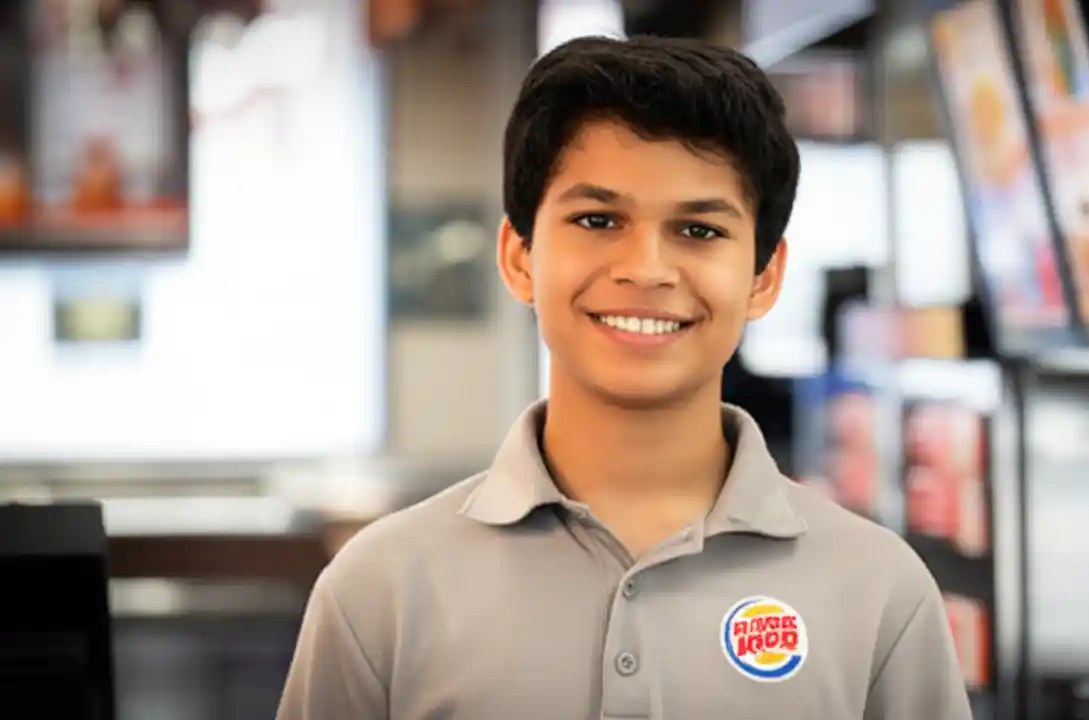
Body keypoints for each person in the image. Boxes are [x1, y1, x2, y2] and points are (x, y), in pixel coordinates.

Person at [277, 35, 971, 720]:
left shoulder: (880, 591)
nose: (645, 269)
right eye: (598, 219)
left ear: (765, 276)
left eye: (698, 231)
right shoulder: (383, 589)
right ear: (519, 257)